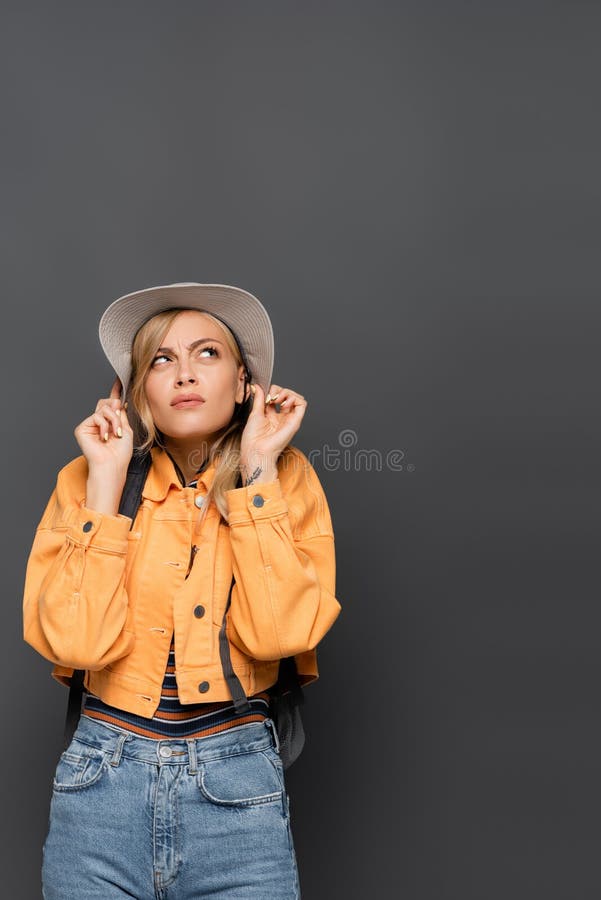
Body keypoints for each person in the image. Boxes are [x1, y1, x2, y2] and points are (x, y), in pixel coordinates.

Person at [22, 282, 342, 900]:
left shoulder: (287, 479)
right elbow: (75, 642)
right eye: (162, 360)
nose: (184, 374)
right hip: (100, 786)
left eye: (208, 354)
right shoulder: (86, 479)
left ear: (245, 383)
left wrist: (257, 471)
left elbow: (281, 635)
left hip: (237, 785)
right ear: (138, 390)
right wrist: (107, 484)